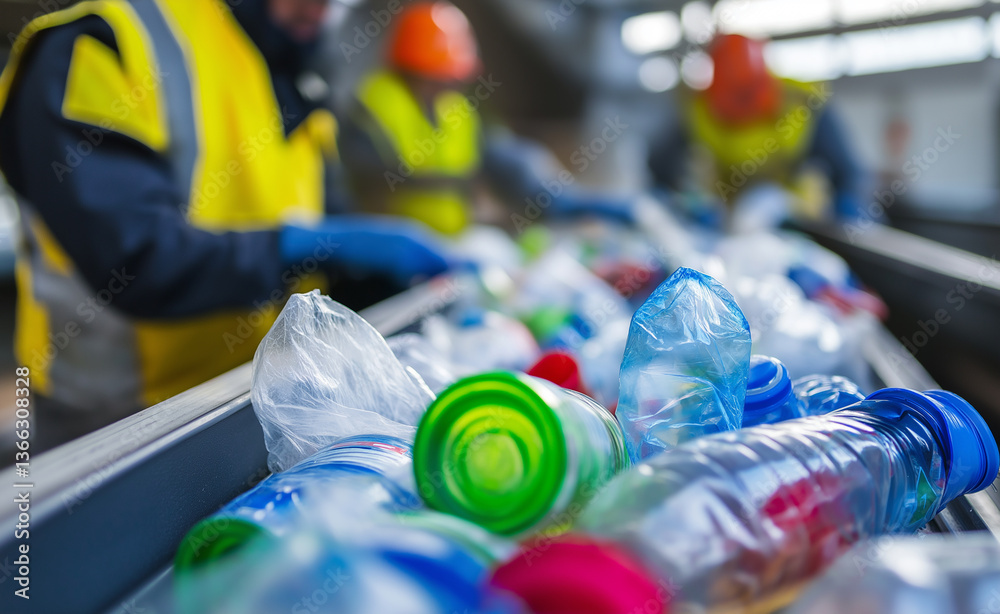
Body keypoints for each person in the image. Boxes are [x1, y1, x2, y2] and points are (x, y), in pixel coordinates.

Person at [0, 0, 453, 450]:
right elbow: (135, 257)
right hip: (115, 422)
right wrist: (299, 245)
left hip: (260, 398)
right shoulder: (103, 43)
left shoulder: (292, 68)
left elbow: (328, 235)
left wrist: (415, 285)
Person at [338, 1, 634, 237]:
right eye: (439, 77)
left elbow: (504, 160)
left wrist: (552, 191)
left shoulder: (455, 111)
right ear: (413, 67)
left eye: (452, 78)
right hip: (391, 259)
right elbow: (364, 182)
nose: (448, 87)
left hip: (449, 247)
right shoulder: (372, 107)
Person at [648, 34, 871, 223]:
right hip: (726, 219)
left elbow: (849, 173)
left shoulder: (803, 104)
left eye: (746, 95)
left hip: (794, 217)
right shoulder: (698, 111)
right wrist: (681, 204)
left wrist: (849, 209)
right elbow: (660, 166)